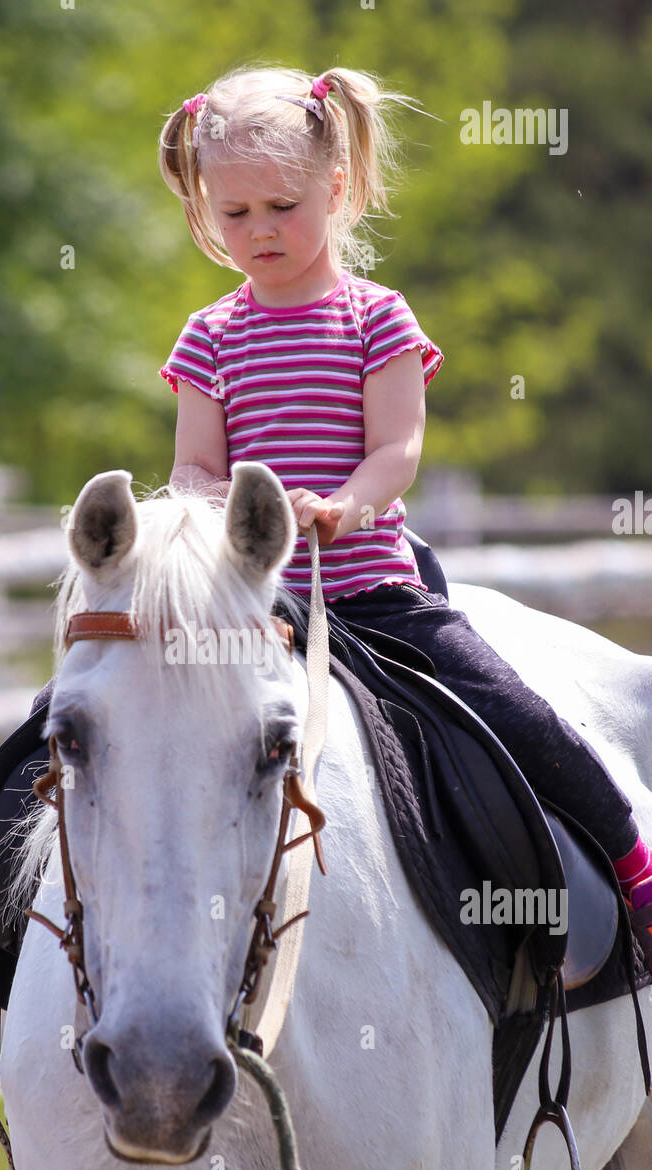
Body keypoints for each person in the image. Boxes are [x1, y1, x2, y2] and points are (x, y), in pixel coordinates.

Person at [156, 62, 652, 945]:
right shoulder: (211, 335)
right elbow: (194, 467)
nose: (260, 231)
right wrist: (224, 523)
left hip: (372, 595)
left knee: (514, 711)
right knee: (82, 705)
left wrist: (343, 505)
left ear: (336, 187)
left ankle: (634, 867)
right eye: (235, 214)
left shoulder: (375, 317)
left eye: (283, 208)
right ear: (204, 205)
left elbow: (398, 448)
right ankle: (1, 900)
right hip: (247, 604)